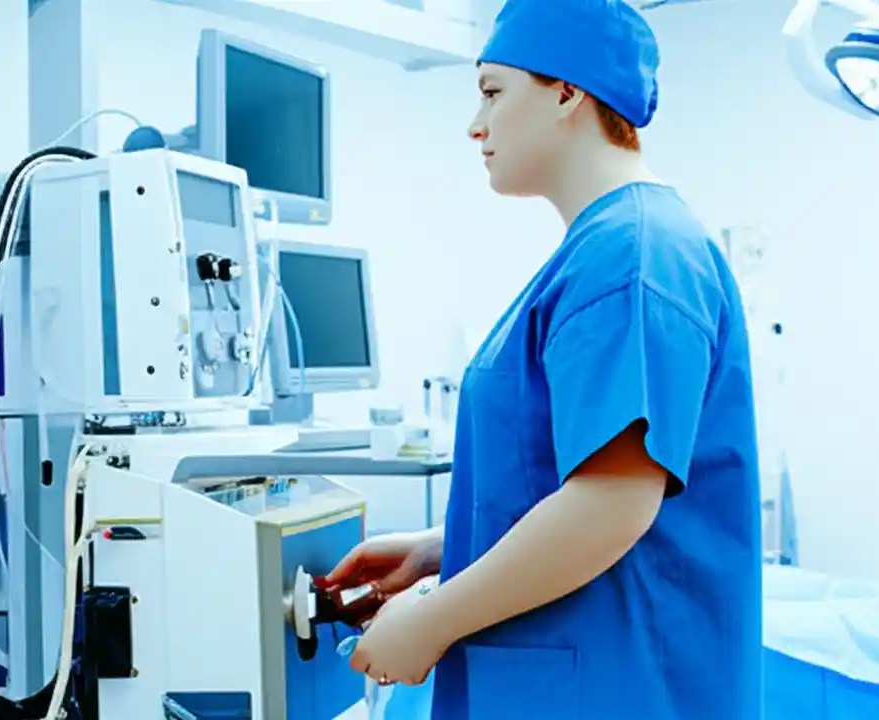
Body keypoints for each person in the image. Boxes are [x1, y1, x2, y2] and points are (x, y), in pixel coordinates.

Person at [320, 0, 764, 717]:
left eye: (493, 92)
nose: (475, 124)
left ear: (566, 90)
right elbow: (568, 475)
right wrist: (446, 546)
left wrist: (432, 621)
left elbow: (611, 504)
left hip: (614, 687)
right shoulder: (612, 247)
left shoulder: (633, 255)